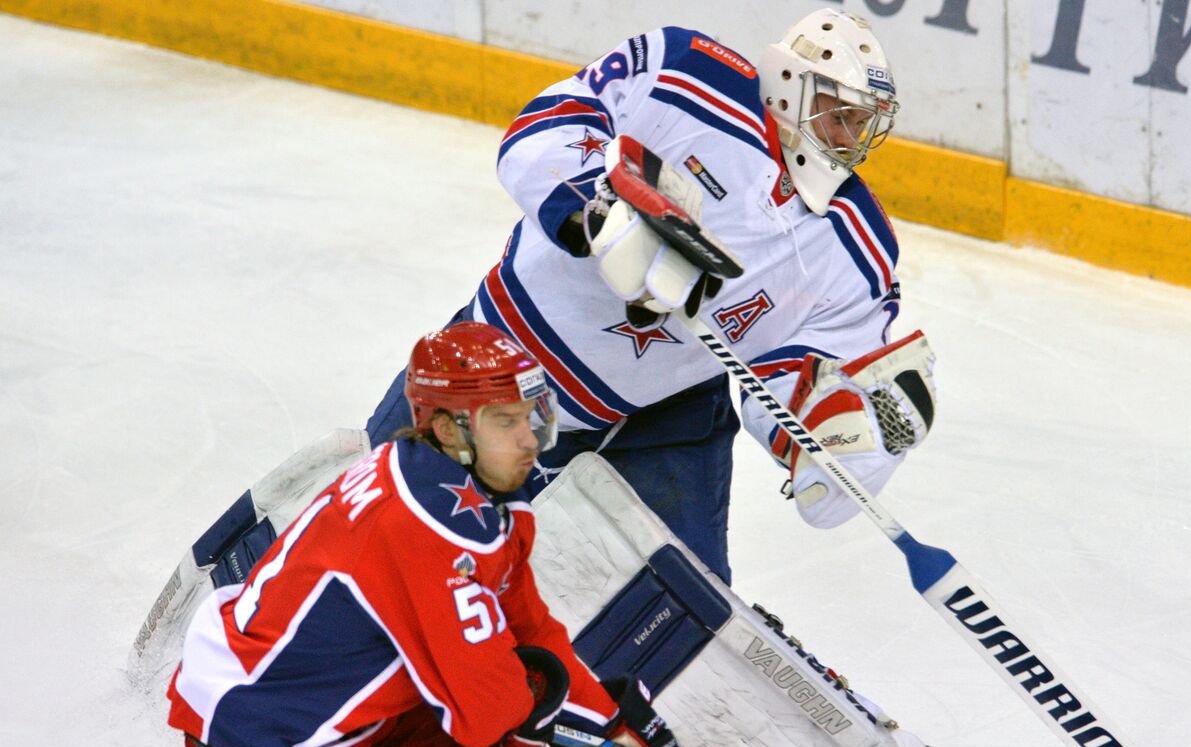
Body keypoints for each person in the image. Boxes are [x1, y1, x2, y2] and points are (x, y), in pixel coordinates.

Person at [166, 325, 711, 747]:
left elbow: (528, 632)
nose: (531, 437)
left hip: (294, 719)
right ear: (450, 430)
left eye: (532, 413)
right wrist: (556, 718)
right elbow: (487, 715)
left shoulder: (442, 484)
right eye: (505, 420)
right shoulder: (429, 532)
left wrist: (608, 721)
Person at [365, 7, 937, 587]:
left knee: (689, 615)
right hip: (497, 360)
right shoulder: (685, 70)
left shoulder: (858, 246)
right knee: (371, 545)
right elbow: (546, 128)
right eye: (835, 114)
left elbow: (795, 385)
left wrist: (841, 445)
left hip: (668, 415)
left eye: (860, 123)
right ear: (789, 84)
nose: (849, 138)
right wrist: (597, 213)